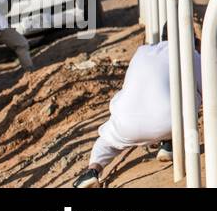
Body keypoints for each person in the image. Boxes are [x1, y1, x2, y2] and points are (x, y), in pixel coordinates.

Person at [74, 35, 201, 188]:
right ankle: (170, 142)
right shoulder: (190, 53)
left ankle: (92, 171)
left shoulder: (141, 51)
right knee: (191, 95)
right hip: (168, 121)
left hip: (126, 122)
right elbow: (209, 90)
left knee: (106, 141)